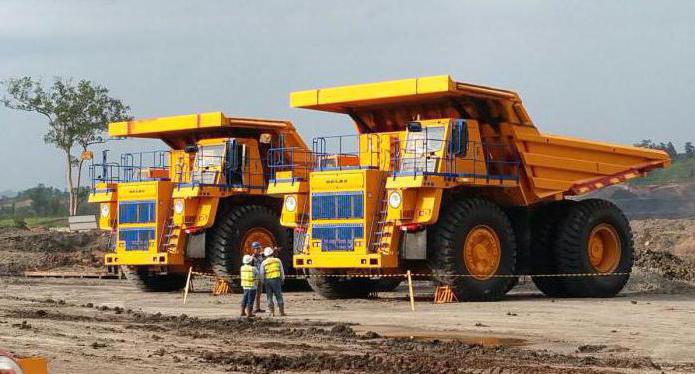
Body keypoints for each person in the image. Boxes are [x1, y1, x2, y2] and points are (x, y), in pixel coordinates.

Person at [260, 247, 286, 317]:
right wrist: (282, 278)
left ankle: (272, 313)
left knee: (269, 297)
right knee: (279, 296)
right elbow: (281, 270)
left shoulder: (264, 262)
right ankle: (281, 312)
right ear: (272, 253)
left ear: (265, 255)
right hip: (277, 280)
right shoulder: (277, 260)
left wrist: (262, 281)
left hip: (268, 281)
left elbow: (262, 273)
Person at [250, 242, 265, 313]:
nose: (258, 250)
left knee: (259, 293)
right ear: (253, 249)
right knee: (253, 293)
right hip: (255, 278)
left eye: (259, 248)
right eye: (257, 249)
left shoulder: (261, 256)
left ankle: (258, 308)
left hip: (260, 277)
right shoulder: (251, 258)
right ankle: (251, 308)